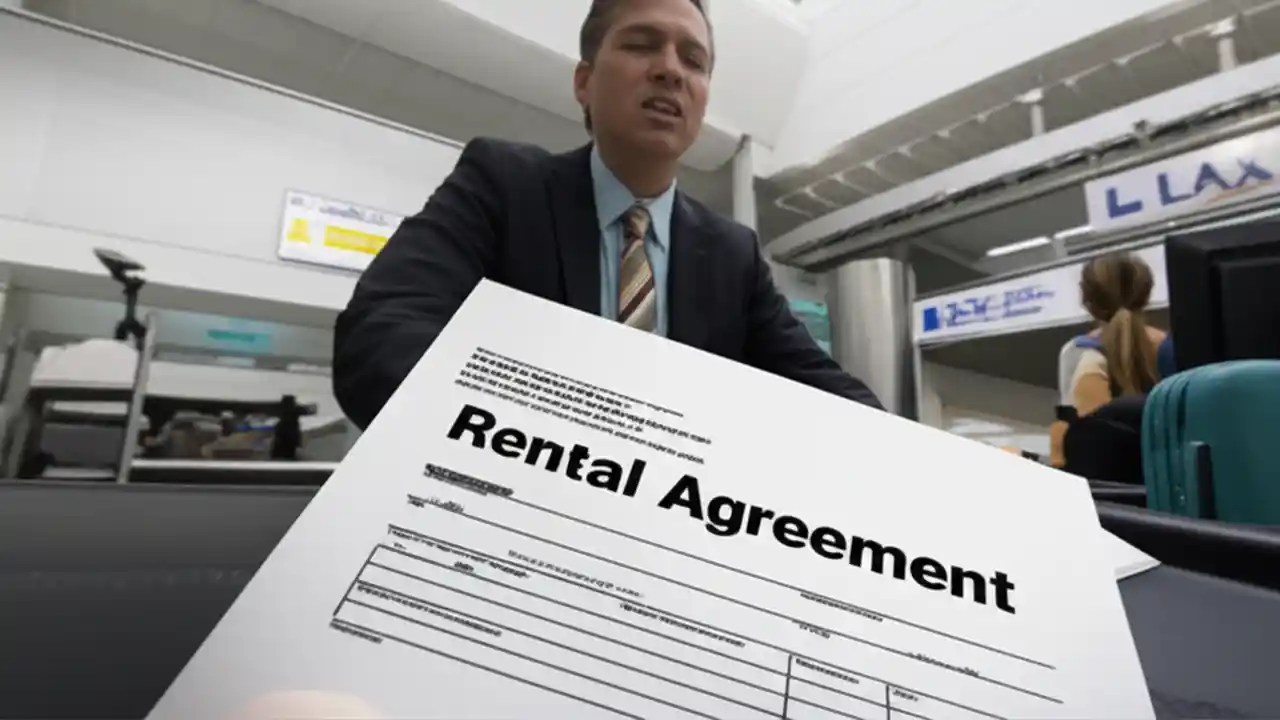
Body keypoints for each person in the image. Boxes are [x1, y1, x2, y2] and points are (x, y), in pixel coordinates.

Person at [333, 0, 881, 429]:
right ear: (584, 82)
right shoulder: (503, 185)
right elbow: (382, 334)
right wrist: (539, 437)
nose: (670, 70)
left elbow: (823, 390)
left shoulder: (732, 255)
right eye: (643, 46)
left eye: (694, 61)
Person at [1069, 252, 1166, 415]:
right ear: (1146, 294)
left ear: (1086, 300)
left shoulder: (1076, 351)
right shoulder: (1170, 347)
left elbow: (1065, 432)